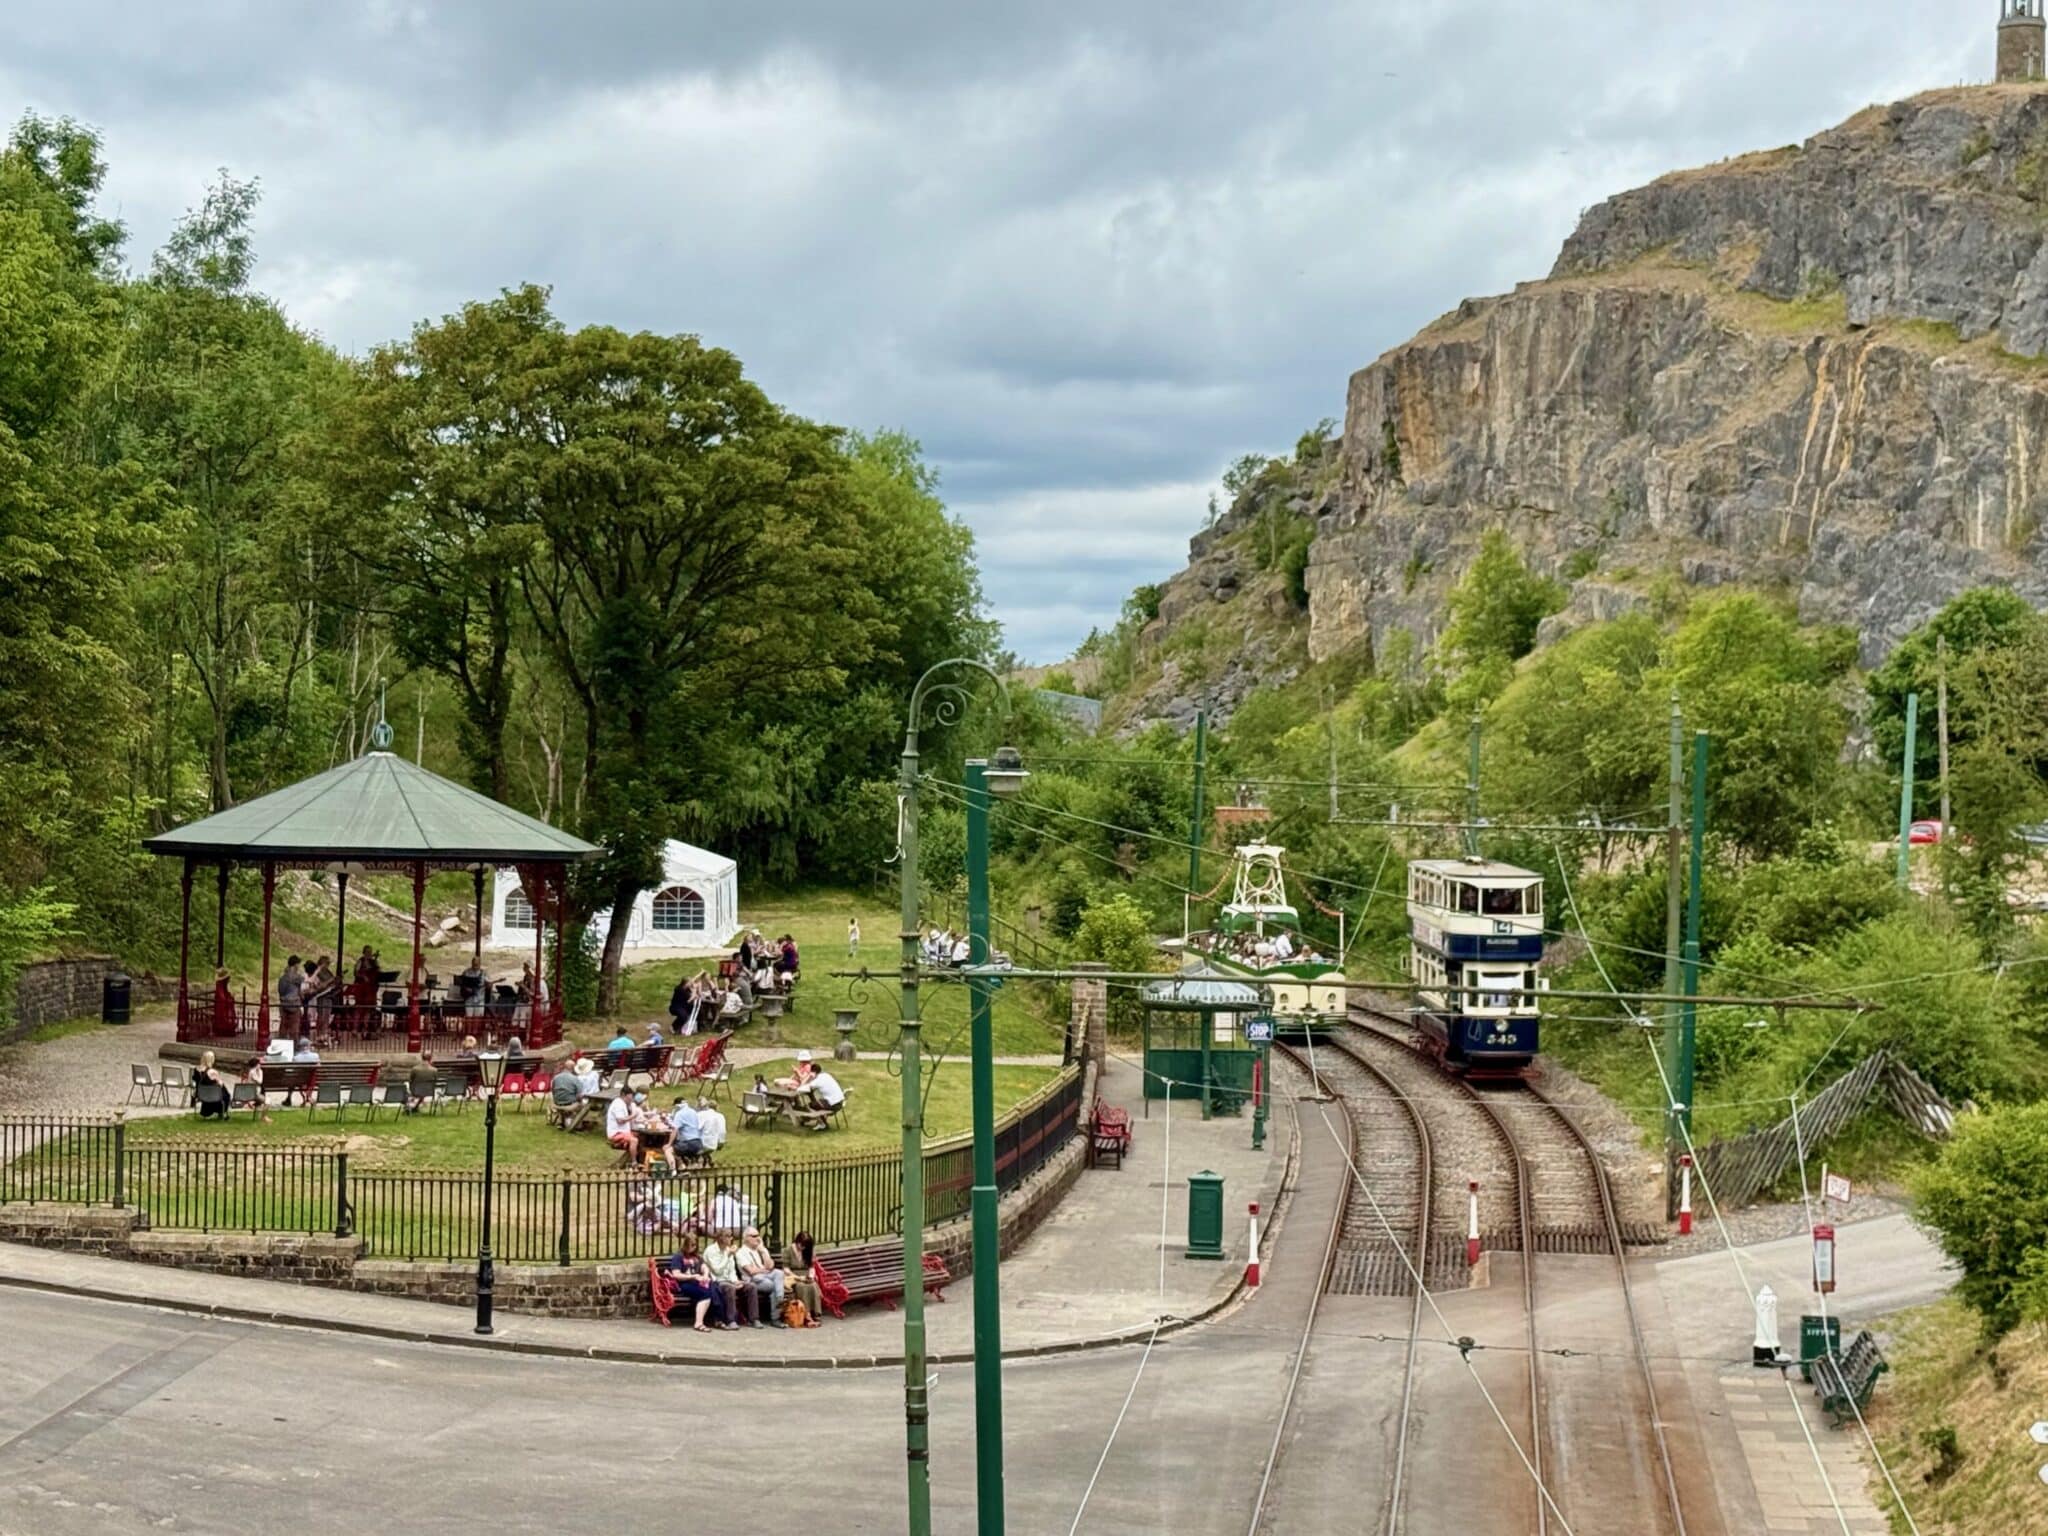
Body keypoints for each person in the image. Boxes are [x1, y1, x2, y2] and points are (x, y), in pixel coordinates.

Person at [661, 1237, 726, 1332]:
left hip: (699, 1282)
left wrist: (705, 1275)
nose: (694, 1247)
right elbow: (676, 1274)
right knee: (706, 1293)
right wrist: (693, 1276)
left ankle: (718, 1319)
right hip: (685, 1284)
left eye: (695, 1245)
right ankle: (700, 1323)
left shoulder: (697, 1257)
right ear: (685, 1245)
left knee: (715, 1288)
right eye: (691, 1245)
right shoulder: (678, 1257)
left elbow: (705, 1267)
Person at [738, 1228, 787, 1326]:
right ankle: (776, 1318)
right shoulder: (741, 1253)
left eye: (758, 1235)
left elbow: (770, 1266)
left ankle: (779, 1298)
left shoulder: (759, 1250)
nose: (758, 1238)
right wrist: (764, 1270)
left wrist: (764, 1251)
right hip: (753, 1280)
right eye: (754, 1236)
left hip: (765, 1276)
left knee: (779, 1273)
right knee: (774, 1286)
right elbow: (751, 1271)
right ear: (746, 1238)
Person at [703, 1230, 751, 1327]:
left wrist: (735, 1281)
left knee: (751, 1286)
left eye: (731, 1236)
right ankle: (731, 1320)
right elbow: (717, 1271)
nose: (731, 1239)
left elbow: (731, 1270)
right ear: (721, 1238)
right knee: (730, 1288)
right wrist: (728, 1256)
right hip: (718, 1281)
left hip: (730, 1280)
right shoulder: (711, 1251)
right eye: (729, 1236)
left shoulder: (728, 1250)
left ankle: (753, 1319)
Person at [781, 1230, 825, 1323]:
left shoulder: (808, 1251)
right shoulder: (788, 1250)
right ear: (797, 1242)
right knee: (801, 1287)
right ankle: (806, 1312)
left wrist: (811, 1276)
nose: (803, 1248)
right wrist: (797, 1277)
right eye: (802, 1245)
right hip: (793, 1276)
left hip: (805, 1274)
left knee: (813, 1286)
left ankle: (816, 1312)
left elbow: (811, 1267)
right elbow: (786, 1269)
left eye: (805, 1246)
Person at [192, 1050, 229, 1120]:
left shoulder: (196, 1069)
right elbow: (220, 1084)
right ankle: (221, 1113)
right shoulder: (212, 1071)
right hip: (212, 1095)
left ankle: (207, 1112)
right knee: (226, 1094)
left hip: (200, 1094)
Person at [277, 956, 304, 1038]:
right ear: (296, 965)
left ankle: (282, 1042)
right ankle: (294, 1043)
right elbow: (304, 984)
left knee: (283, 1027)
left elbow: (281, 991)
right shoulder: (297, 977)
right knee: (294, 1028)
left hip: (284, 1003)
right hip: (294, 1004)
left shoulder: (283, 978)